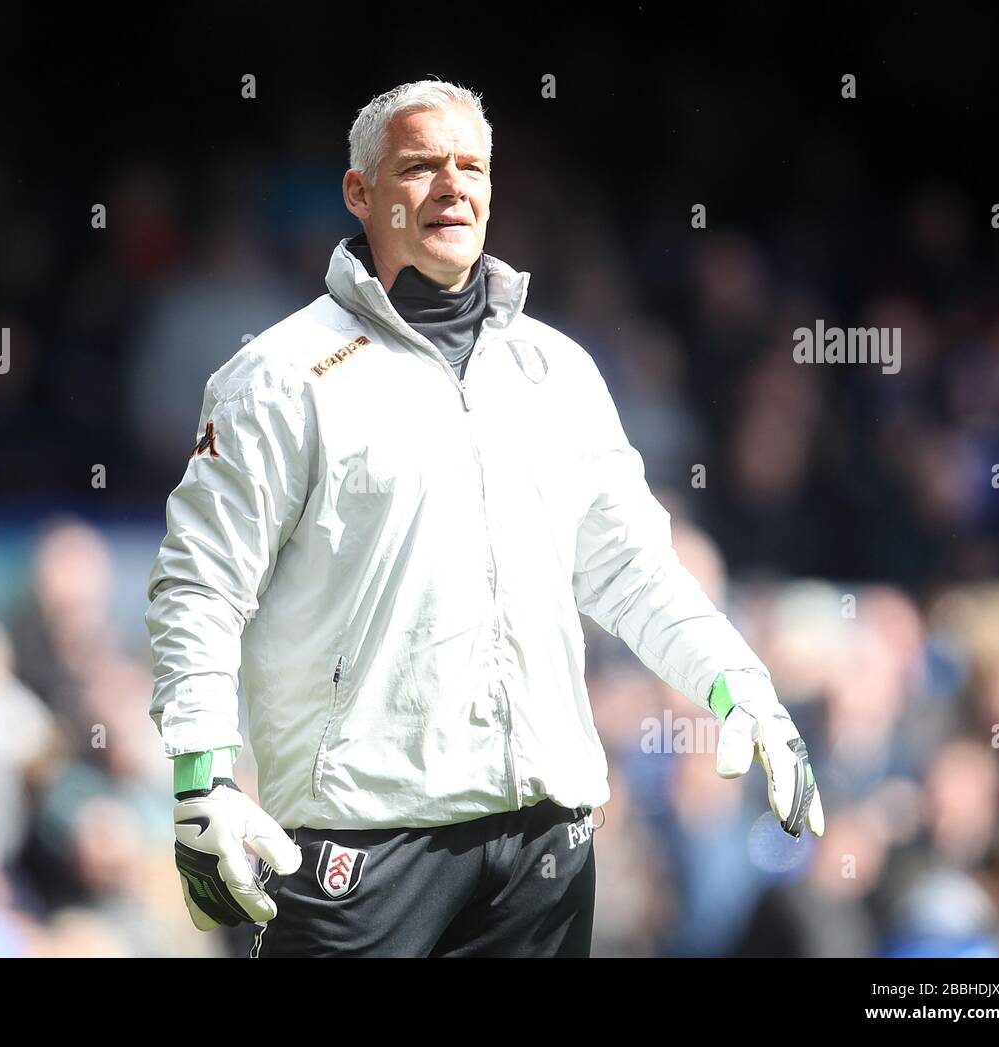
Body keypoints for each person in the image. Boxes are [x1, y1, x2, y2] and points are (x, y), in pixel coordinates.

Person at [144, 79, 824, 958]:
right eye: (421, 165)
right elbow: (200, 583)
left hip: (546, 841)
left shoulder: (560, 369)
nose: (451, 186)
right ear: (360, 192)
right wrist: (201, 776)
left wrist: (740, 682)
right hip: (356, 843)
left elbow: (632, 568)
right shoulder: (278, 375)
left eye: (471, 166)